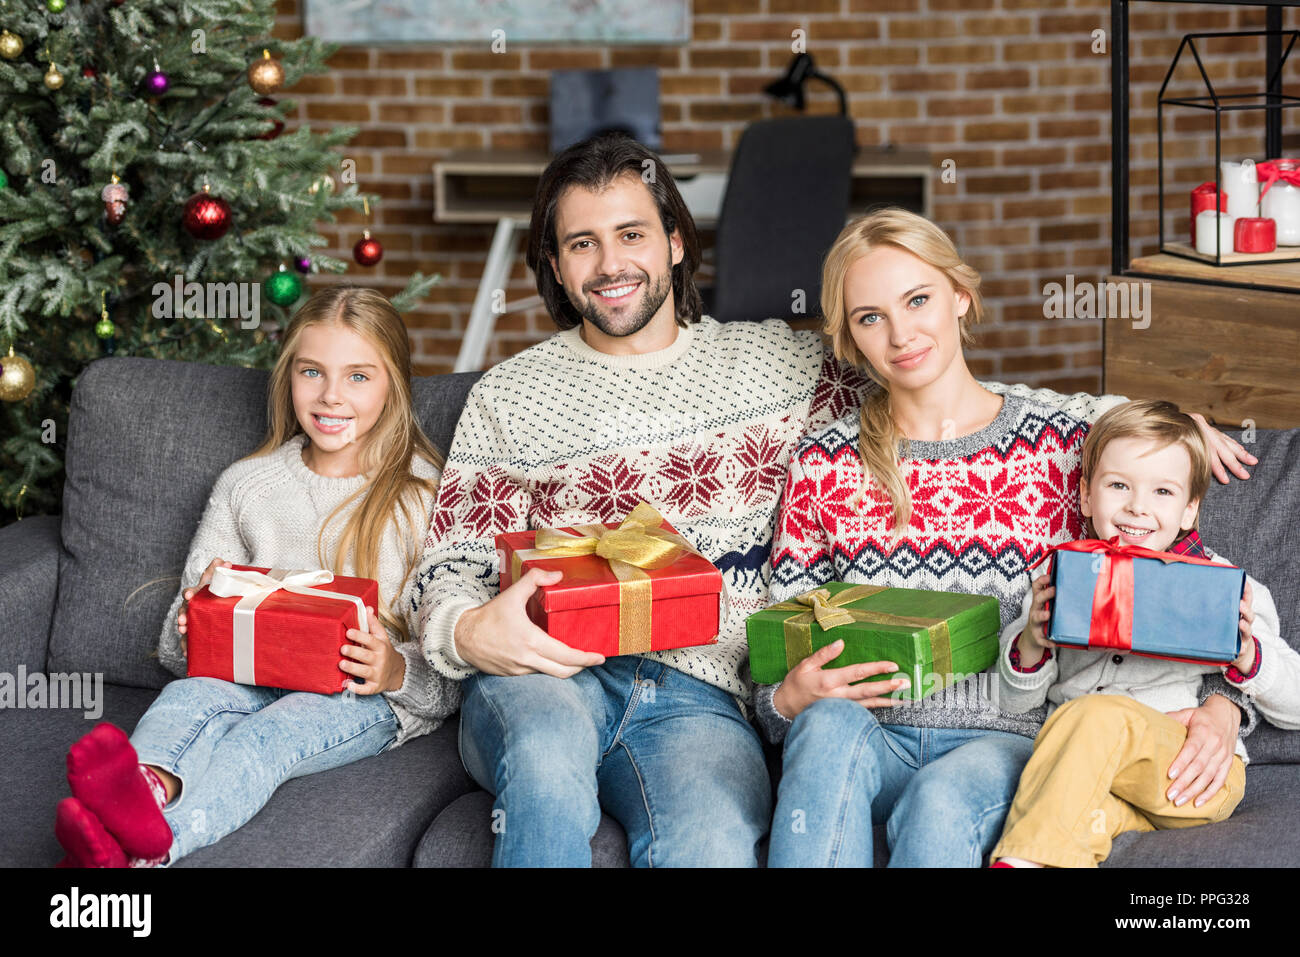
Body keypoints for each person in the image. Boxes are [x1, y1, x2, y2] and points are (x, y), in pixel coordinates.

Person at [411, 133, 1257, 867]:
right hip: (552, 666)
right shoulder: (510, 395)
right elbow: (448, 560)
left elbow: (937, 388)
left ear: (674, 242)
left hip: (703, 689)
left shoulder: (782, 363)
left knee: (710, 841)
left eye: (631, 233)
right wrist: (465, 629)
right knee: (550, 759)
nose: (610, 263)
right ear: (555, 264)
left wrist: (1152, 422)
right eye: (582, 244)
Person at [756, 209, 1259, 868]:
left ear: (960, 296)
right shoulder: (825, 462)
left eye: (918, 299)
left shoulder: (1066, 447)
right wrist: (785, 700)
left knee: (941, 802)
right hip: (863, 735)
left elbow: (1197, 594)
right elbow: (772, 655)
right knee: (821, 729)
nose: (902, 333)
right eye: (870, 317)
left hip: (1006, 739)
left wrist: (1224, 704)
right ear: (849, 338)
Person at [53, 287, 456, 867]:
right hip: (251, 674)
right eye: (311, 371)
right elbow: (179, 652)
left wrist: (396, 669)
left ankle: (147, 854)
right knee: (186, 698)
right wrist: (196, 616)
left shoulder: (423, 496)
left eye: (359, 377)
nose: (331, 396)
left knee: (264, 739)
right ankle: (138, 797)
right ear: (288, 375)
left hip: (363, 701)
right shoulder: (247, 485)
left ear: (395, 384)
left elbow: (454, 671)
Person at [990, 400, 1300, 867]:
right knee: (1077, 816)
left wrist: (1247, 655)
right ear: (1086, 497)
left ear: (1190, 509)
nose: (1137, 506)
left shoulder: (1223, 585)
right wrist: (1033, 641)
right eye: (1118, 485)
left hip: (1188, 773)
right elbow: (1012, 703)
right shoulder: (1061, 576)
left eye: (1162, 491)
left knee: (1096, 715)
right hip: (1088, 776)